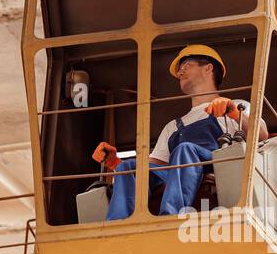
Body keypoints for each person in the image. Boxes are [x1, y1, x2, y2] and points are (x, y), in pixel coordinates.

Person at [95, 44, 267, 220]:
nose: (180, 72)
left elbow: (261, 135)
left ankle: (170, 216)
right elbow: (154, 166)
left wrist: (233, 113)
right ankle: (117, 225)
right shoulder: (173, 126)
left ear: (208, 68)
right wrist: (116, 162)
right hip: (177, 171)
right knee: (129, 167)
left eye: (187, 66)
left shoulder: (237, 104)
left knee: (185, 149)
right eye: (180, 69)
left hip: (214, 164)